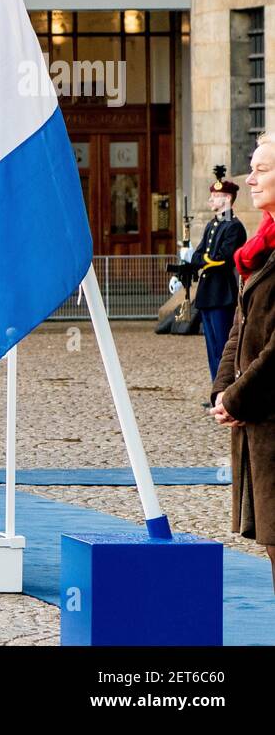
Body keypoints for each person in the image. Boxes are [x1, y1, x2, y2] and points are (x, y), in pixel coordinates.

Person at [211, 133, 275, 588]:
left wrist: (237, 397)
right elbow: (241, 323)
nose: (249, 178)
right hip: (259, 420)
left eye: (262, 170)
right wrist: (220, 390)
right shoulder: (259, 245)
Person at [192, 166, 247, 381]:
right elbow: (198, 255)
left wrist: (206, 261)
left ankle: (226, 389)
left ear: (227, 199)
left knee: (223, 347)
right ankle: (217, 389)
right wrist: (203, 261)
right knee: (212, 347)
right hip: (207, 293)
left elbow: (223, 259)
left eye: (216, 197)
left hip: (222, 292)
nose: (211, 200)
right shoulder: (212, 225)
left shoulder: (233, 226)